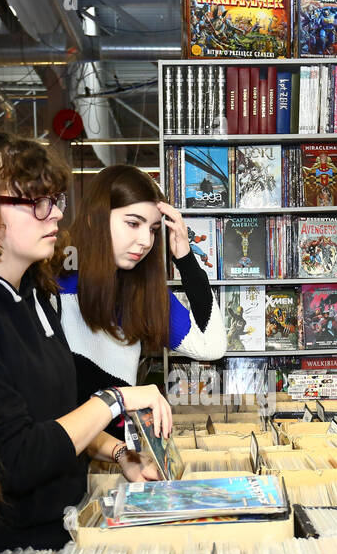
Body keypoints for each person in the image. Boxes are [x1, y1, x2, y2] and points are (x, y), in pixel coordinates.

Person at [0, 130, 174, 553]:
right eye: (36, 203)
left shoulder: (37, 295)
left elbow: (57, 419)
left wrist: (119, 453)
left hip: (63, 532)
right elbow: (18, 458)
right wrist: (115, 400)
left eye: (56, 201)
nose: (54, 217)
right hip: (9, 551)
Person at [61, 164, 225, 430]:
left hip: (124, 456)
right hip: (67, 454)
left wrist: (185, 258)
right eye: (133, 223)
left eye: (152, 229)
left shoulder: (142, 294)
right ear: (95, 218)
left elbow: (211, 347)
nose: (145, 241)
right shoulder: (51, 286)